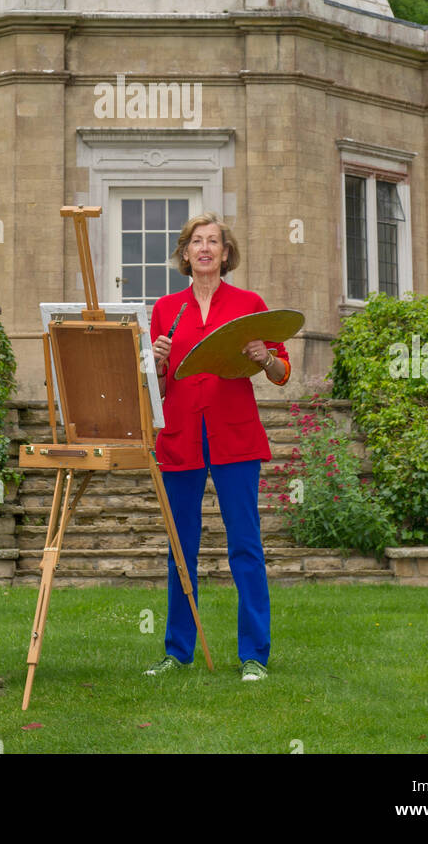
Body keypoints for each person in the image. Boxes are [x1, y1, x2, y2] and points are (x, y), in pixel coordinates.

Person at [144, 211, 291, 683]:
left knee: (245, 545)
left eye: (214, 242)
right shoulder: (167, 308)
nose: (205, 249)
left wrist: (264, 356)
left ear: (226, 254)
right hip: (181, 436)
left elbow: (281, 372)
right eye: (196, 242)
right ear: (185, 254)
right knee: (180, 549)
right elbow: (156, 387)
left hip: (235, 436)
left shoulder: (250, 303)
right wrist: (159, 365)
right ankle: (177, 651)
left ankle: (254, 655)